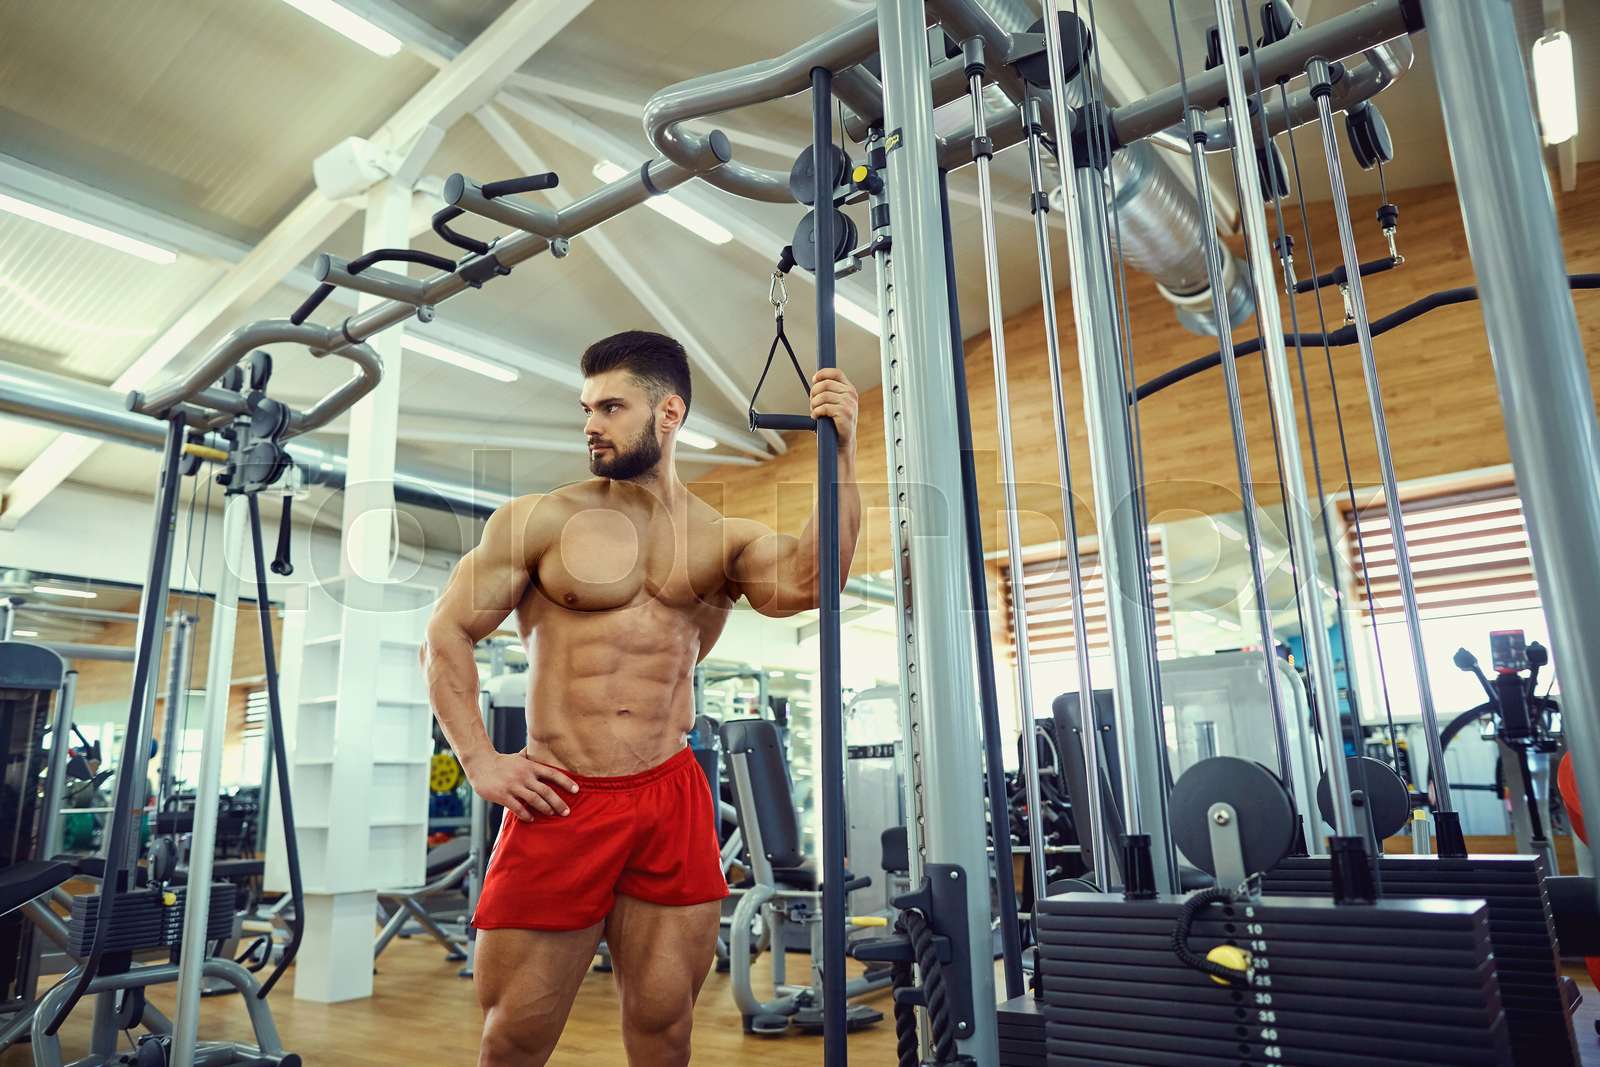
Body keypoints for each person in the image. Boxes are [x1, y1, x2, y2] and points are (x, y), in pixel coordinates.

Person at [421, 329, 861, 1067]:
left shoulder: (721, 538)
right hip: (560, 796)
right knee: (513, 1038)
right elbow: (445, 635)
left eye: (611, 406)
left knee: (665, 1031)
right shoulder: (540, 519)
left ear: (669, 414)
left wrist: (840, 453)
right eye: (587, 407)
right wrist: (480, 760)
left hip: (669, 795)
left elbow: (814, 581)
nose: (591, 423)